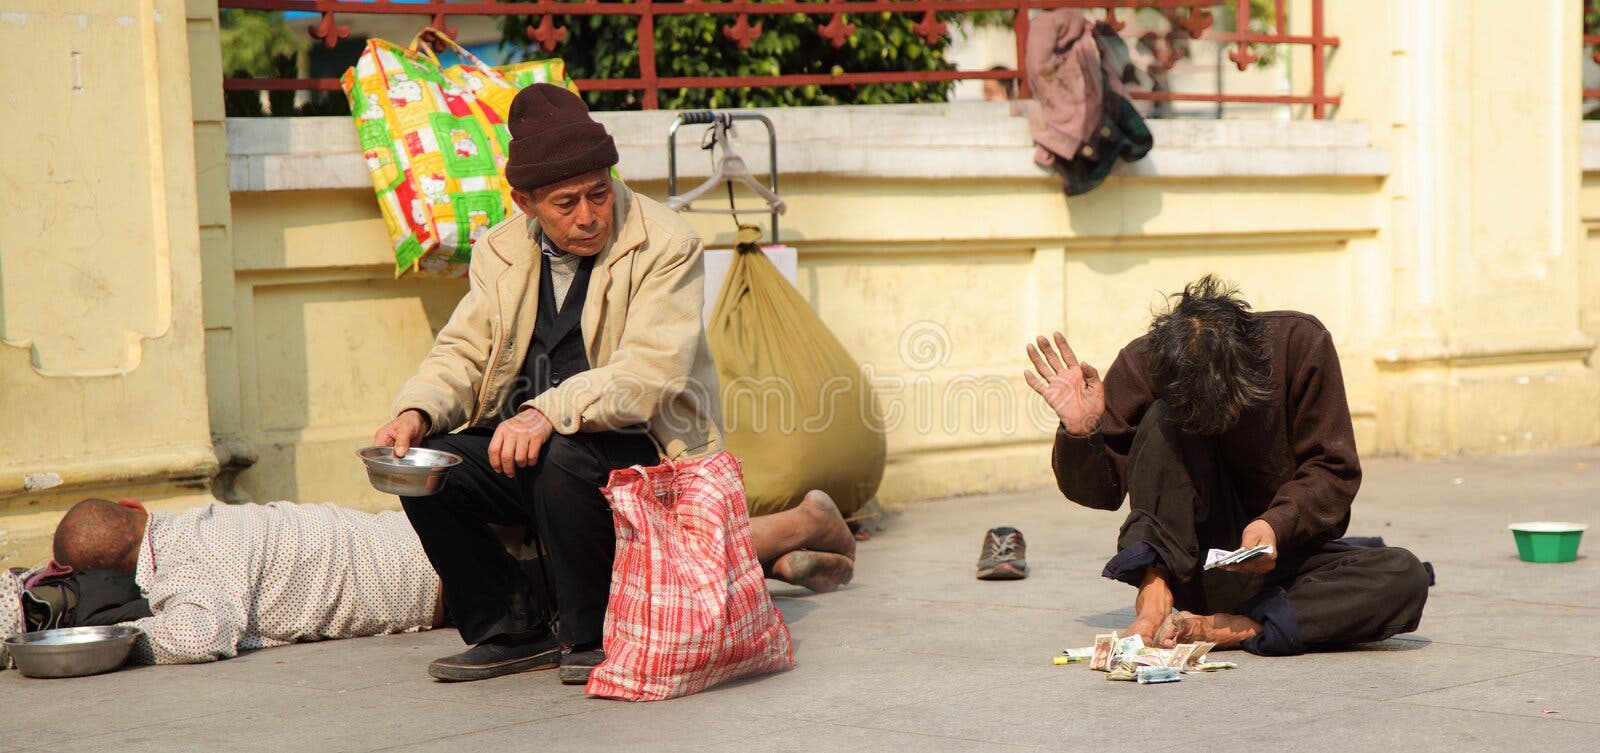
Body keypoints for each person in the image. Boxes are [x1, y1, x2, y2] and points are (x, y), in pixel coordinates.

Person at [373, 83, 853, 686]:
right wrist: (415, 412)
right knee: (430, 469)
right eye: (566, 203)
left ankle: (592, 631)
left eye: (599, 194)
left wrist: (545, 413)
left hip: (639, 453)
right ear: (525, 202)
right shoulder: (498, 250)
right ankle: (509, 628)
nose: (588, 215)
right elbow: (464, 350)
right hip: (533, 447)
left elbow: (649, 374)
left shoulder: (666, 241)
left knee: (560, 456)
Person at [1025, 275, 1429, 656]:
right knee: (1163, 418)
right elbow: (1103, 492)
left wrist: (1275, 524)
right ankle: (1153, 602)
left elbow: (1333, 468)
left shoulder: (1301, 344)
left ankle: (1235, 627)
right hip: (1188, 566)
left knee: (1404, 575)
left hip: (1283, 561)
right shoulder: (1140, 364)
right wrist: (1082, 431)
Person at [49, 498, 443, 665]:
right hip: (413, 531)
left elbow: (200, 637)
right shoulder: (205, 519)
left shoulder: (181, 566)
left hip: (435, 587)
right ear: (134, 507)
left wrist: (108, 642)